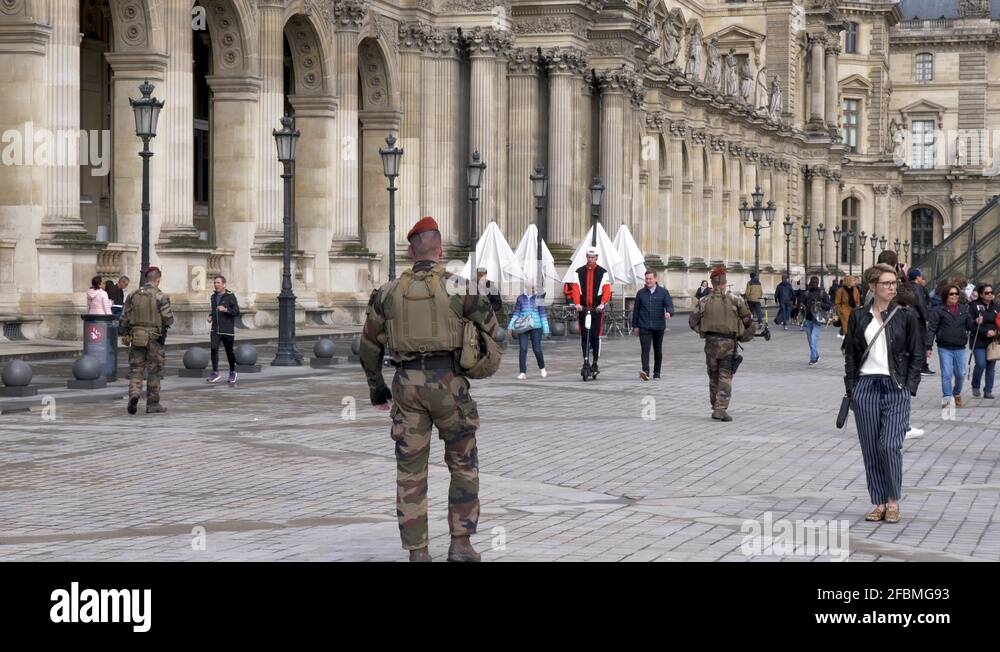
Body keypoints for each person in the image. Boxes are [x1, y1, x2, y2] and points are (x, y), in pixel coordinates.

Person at [359, 216, 498, 563]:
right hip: (450, 383)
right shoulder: (459, 286)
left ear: (410, 251)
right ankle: (461, 544)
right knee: (463, 464)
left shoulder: (388, 292)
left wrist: (377, 387)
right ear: (440, 250)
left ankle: (418, 552)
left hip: (406, 385)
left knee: (410, 472)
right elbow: (493, 327)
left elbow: (367, 346)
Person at [843, 263, 923, 524]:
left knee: (889, 445)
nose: (892, 287)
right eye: (886, 283)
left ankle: (893, 501)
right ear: (873, 287)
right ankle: (878, 502)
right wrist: (852, 389)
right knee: (870, 449)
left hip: (895, 386)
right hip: (866, 387)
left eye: (894, 283)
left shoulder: (905, 315)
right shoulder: (858, 316)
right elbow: (852, 356)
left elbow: (916, 353)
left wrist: (909, 387)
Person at [688, 265, 752, 422]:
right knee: (725, 376)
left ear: (712, 283)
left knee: (713, 375)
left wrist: (702, 330)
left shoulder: (703, 301)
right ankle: (720, 408)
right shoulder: (735, 299)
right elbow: (747, 319)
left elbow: (692, 322)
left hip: (710, 344)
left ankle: (714, 405)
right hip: (729, 344)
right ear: (725, 281)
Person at [119, 267, 174, 415]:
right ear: (158, 279)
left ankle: (135, 394)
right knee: (154, 371)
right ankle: (153, 403)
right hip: (154, 339)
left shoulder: (133, 295)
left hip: (136, 337)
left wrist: (124, 333)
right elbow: (168, 318)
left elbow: (124, 317)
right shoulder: (160, 296)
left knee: (136, 370)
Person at [928, 281, 979, 410]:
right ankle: (947, 398)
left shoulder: (963, 309)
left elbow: (969, 326)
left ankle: (956, 393)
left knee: (961, 374)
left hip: (960, 347)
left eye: (956, 293)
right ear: (946, 296)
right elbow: (931, 329)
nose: (955, 296)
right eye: (951, 294)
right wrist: (928, 346)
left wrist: (976, 322)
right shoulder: (938, 310)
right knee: (946, 374)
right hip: (944, 347)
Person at [569, 248, 612, 375]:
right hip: (583, 308)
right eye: (588, 257)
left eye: (592, 257)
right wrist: (577, 303)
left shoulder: (603, 272)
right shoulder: (579, 272)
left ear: (596, 258)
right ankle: (585, 360)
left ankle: (595, 362)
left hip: (596, 309)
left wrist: (602, 303)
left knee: (595, 335)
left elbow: (607, 290)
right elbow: (576, 289)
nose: (590, 259)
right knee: (584, 335)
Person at [632, 269, 674, 380]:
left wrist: (669, 312)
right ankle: (645, 372)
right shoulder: (640, 293)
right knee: (645, 350)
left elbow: (669, 305)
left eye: (650, 279)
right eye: (646, 279)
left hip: (658, 326)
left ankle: (657, 372)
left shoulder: (663, 292)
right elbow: (636, 311)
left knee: (657, 350)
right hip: (644, 325)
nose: (648, 281)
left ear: (655, 279)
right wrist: (635, 326)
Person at [509, 281, 549, 379]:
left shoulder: (538, 298)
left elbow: (542, 314)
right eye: (531, 287)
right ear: (527, 287)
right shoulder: (520, 298)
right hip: (523, 326)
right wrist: (510, 326)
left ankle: (542, 367)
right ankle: (522, 372)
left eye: (534, 287)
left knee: (537, 349)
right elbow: (516, 313)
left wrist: (546, 329)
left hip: (536, 326)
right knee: (523, 348)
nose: (533, 288)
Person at [206, 275, 241, 386]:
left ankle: (232, 372)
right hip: (215, 329)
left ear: (224, 284)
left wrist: (226, 309)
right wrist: (211, 316)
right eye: (215, 282)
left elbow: (236, 311)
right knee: (213, 349)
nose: (216, 285)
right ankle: (215, 372)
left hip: (227, 329)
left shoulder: (230, 296)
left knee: (229, 351)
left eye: (218, 283)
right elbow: (214, 310)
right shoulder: (213, 296)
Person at [970, 283, 998, 399]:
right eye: (987, 293)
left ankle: (988, 390)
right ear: (981, 294)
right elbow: (970, 324)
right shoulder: (974, 306)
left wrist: (996, 332)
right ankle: (975, 385)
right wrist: (983, 330)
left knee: (991, 366)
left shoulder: (997, 306)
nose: (990, 295)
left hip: (993, 341)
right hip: (979, 340)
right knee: (981, 364)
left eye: (991, 292)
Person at [799, 276, 832, 366]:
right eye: (813, 282)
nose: (814, 284)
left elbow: (829, 305)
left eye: (816, 282)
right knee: (810, 340)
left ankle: (813, 359)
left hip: (818, 320)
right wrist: (801, 311)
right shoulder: (806, 294)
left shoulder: (822, 293)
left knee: (813, 339)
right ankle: (816, 355)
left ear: (818, 283)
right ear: (810, 283)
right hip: (808, 319)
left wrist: (821, 304)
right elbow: (801, 306)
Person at [908, 268, 935, 376]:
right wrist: (926, 318)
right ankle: (922, 366)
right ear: (917, 277)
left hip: (911, 316)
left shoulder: (907, 286)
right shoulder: (918, 287)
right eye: (920, 276)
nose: (922, 278)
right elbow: (921, 304)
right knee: (921, 342)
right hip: (918, 318)